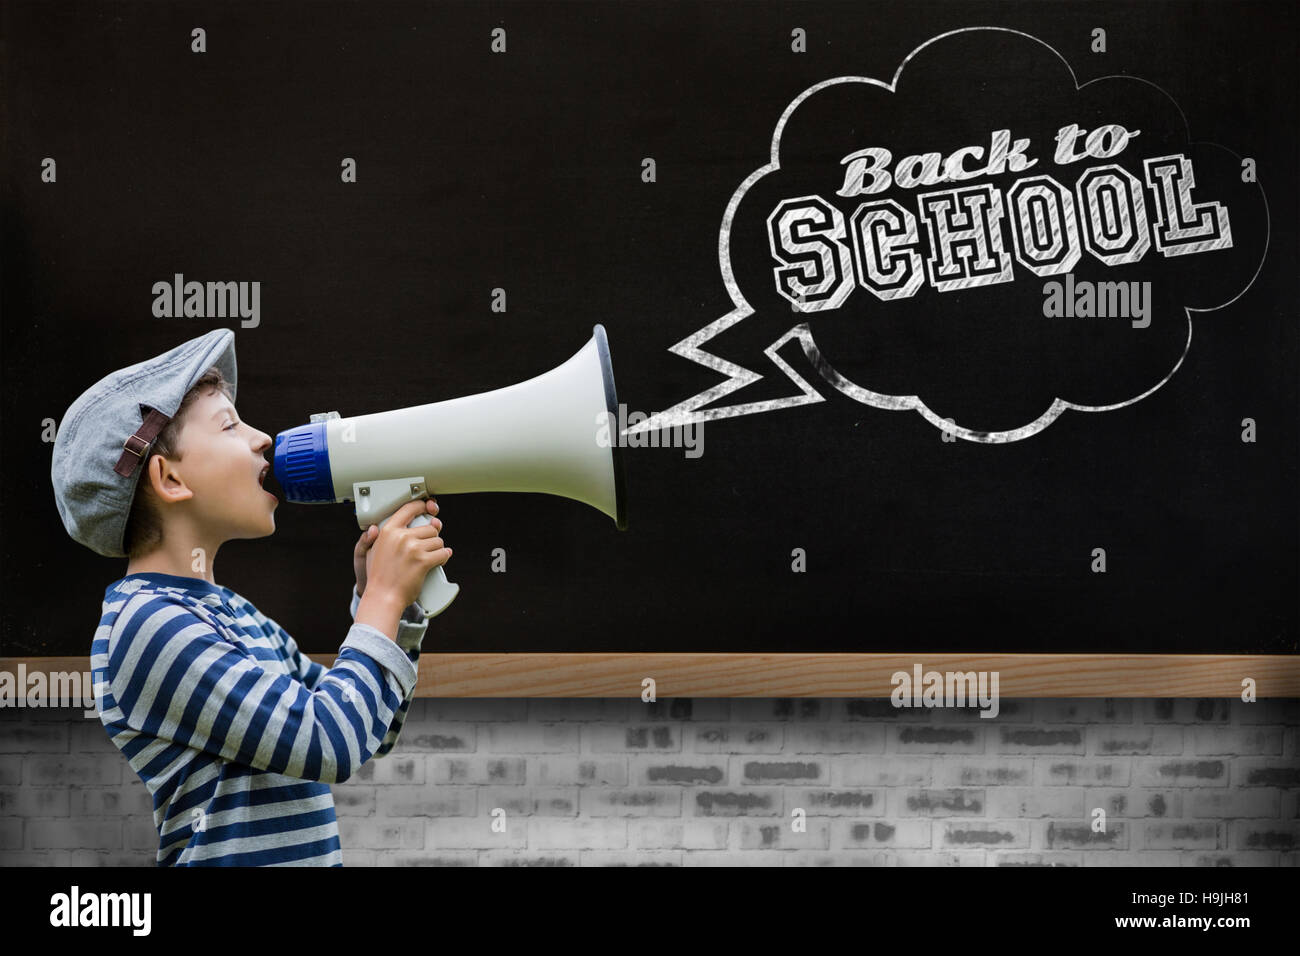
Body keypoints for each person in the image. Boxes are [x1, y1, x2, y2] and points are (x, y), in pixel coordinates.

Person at [50, 327, 452, 865]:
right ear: (169, 478)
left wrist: (391, 606)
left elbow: (369, 730)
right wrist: (380, 597)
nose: (262, 438)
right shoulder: (147, 624)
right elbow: (328, 744)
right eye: (230, 425)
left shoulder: (237, 615)